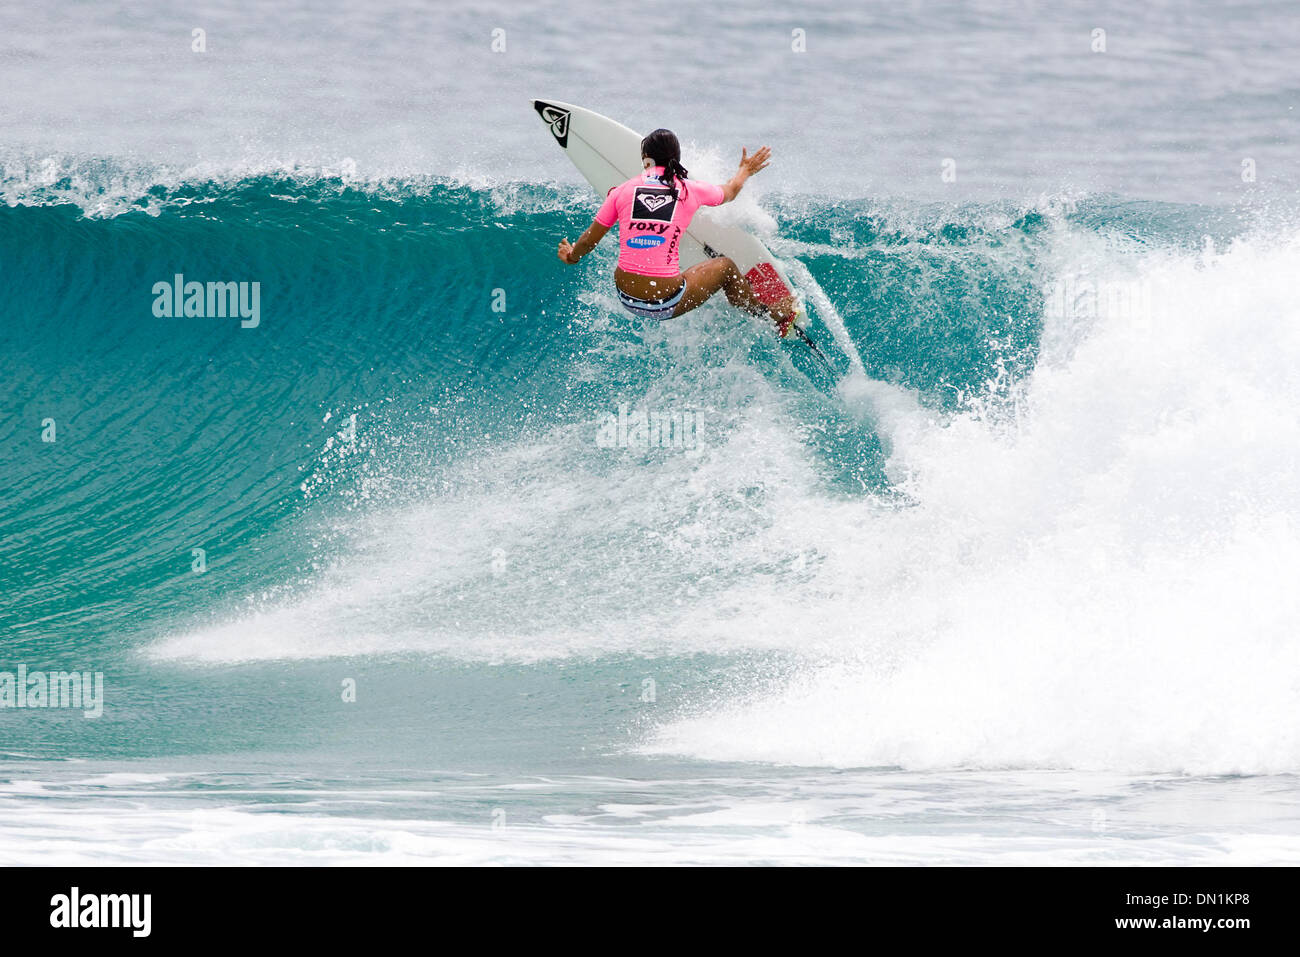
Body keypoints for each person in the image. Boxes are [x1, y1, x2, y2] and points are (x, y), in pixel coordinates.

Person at [556, 128, 797, 336]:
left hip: (626, 296)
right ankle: (768, 314)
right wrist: (745, 170)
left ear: (645, 159)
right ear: (676, 159)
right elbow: (731, 191)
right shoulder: (689, 190)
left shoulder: (622, 191)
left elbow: (588, 241)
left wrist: (571, 256)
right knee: (725, 267)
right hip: (666, 303)